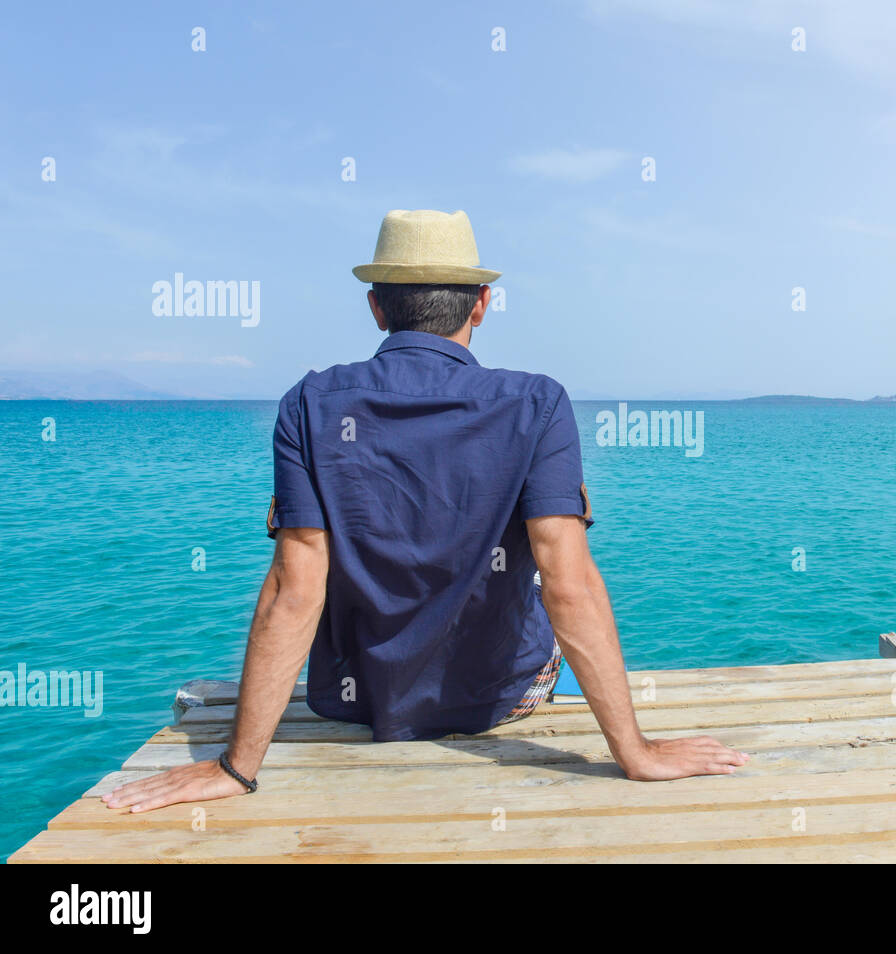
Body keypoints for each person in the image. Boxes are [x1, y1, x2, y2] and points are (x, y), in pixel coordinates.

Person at [104, 210, 748, 813]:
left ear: (377, 307)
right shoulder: (538, 404)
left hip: (354, 702)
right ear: (482, 304)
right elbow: (568, 583)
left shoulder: (309, 404)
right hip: (500, 702)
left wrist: (236, 768)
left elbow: (293, 590)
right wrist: (633, 754)